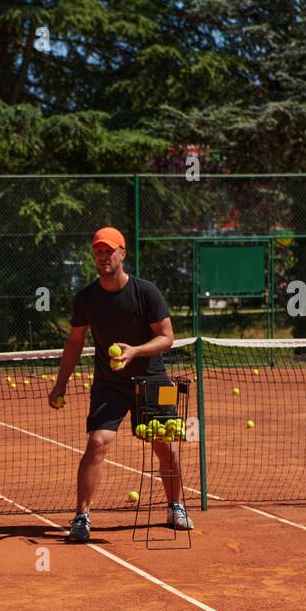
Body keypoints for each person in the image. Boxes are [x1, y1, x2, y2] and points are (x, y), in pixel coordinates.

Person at [47, 227, 193, 544]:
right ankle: (81, 518)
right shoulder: (86, 298)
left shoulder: (146, 292)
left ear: (122, 253)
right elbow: (74, 343)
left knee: (165, 447)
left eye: (109, 251)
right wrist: (61, 384)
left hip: (152, 379)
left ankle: (176, 506)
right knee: (97, 443)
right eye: (98, 252)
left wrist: (135, 352)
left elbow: (167, 337)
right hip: (109, 383)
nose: (103, 257)